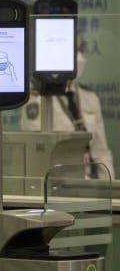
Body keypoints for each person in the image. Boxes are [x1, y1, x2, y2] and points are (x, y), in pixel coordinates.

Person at [22, 49, 115, 178]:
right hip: (62, 182)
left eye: (81, 49)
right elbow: (38, 154)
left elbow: (101, 150)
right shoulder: (39, 100)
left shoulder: (90, 97)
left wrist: (107, 183)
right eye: (72, 48)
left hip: (95, 182)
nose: (79, 55)